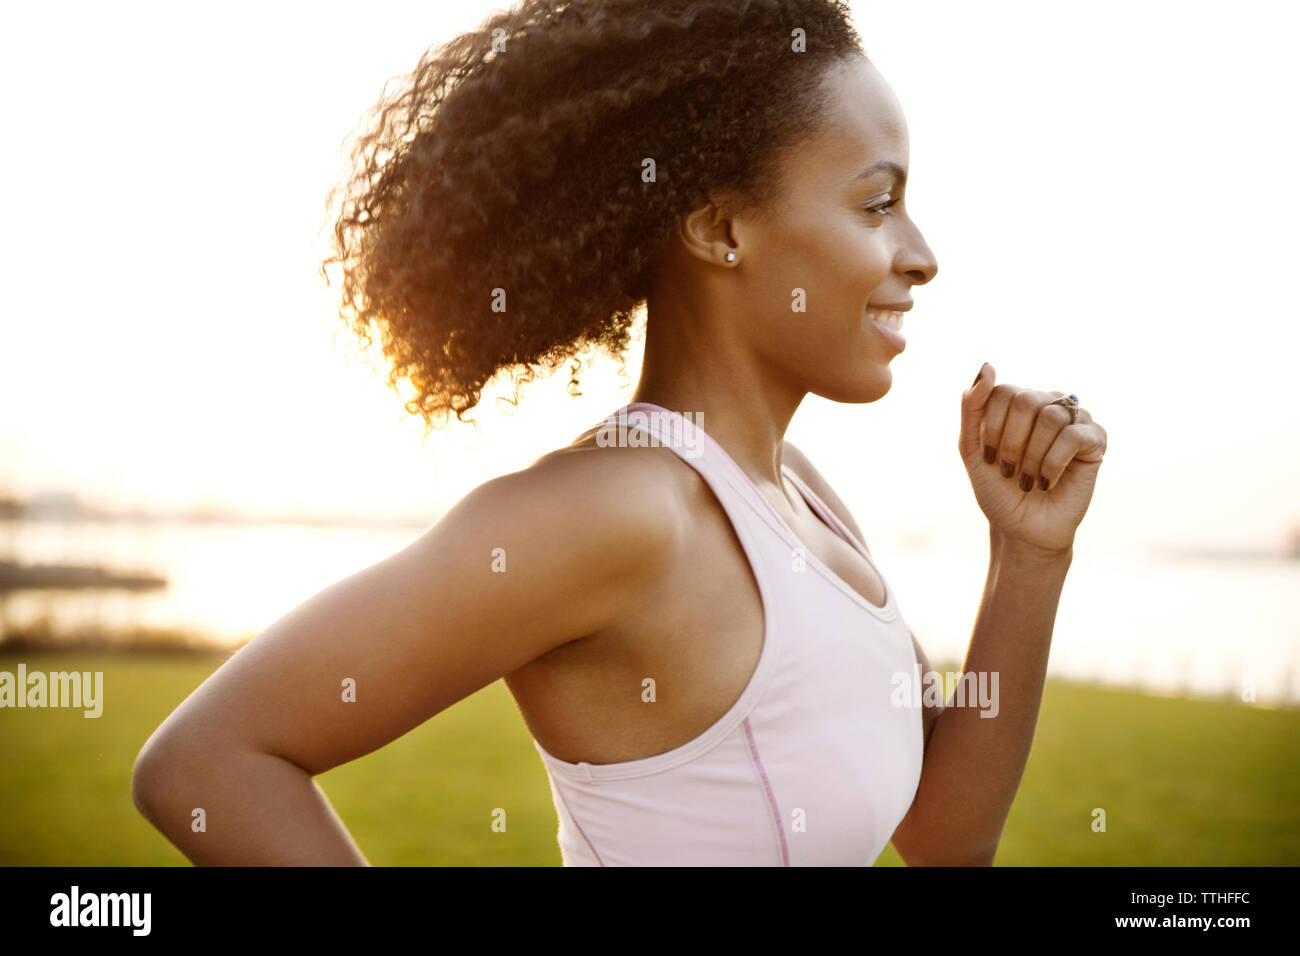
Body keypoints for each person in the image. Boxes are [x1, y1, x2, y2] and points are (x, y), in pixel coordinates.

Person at [131, 0, 1106, 866]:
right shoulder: (618, 512)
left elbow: (943, 835)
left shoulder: (798, 493)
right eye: (875, 203)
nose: (920, 255)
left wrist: (1027, 554)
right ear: (720, 227)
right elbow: (209, 760)